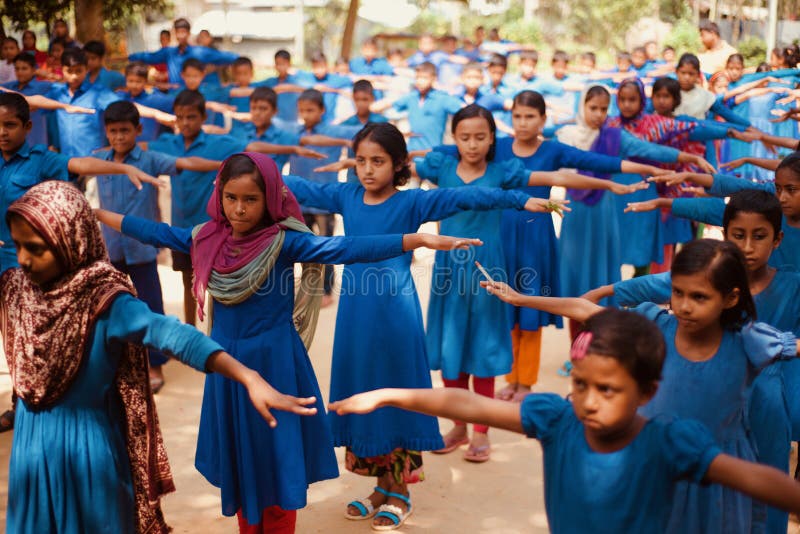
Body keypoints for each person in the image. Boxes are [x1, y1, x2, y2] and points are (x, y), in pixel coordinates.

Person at [96, 151, 483, 533]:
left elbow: (345, 249)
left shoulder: (282, 241)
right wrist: (94, 213)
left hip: (277, 362)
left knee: (279, 462)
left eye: (251, 199)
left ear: (270, 199)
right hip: (229, 368)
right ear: (220, 195)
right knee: (244, 463)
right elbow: (152, 231)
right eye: (231, 197)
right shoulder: (205, 238)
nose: (239, 209)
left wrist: (416, 240)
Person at [285, 122, 564, 529]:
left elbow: (467, 196)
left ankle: (401, 490)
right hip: (355, 317)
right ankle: (380, 485)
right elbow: (299, 189)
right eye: (361, 160)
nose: (367, 169)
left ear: (399, 164)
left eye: (377, 161)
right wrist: (250, 166)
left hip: (396, 315)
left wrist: (521, 201)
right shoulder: (346, 194)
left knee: (399, 393)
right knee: (362, 390)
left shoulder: (412, 202)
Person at [3, 179, 316, 533]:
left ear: (69, 241)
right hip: (29, 460)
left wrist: (246, 375)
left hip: (87, 460)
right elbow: (158, 232)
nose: (24, 260)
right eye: (17, 246)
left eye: (36, 248)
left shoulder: (104, 301)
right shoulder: (16, 291)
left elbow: (173, 335)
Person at [330, 307, 800, 533]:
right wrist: (389, 395)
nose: (588, 401)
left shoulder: (670, 441)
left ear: (648, 392)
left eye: (607, 389)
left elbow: (754, 477)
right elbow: (471, 406)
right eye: (580, 384)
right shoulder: (558, 421)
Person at [481, 238, 800, 532]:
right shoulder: (657, 323)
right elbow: (586, 310)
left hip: (714, 472)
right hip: (659, 461)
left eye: (699, 296)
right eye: (678, 293)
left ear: (730, 298)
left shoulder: (747, 340)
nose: (685, 306)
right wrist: (521, 299)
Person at [414, 104, 643, 462]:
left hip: (488, 271)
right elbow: (400, 165)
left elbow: (563, 179)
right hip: (448, 271)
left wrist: (607, 183)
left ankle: (480, 431)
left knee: (483, 351)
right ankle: (457, 425)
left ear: (492, 138)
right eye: (464, 137)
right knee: (452, 350)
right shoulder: (442, 166)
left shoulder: (503, 170)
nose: (472, 145)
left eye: (479, 137)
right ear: (454, 138)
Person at [434, 91, 663, 401]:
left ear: (544, 119)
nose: (524, 122)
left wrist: (614, 180)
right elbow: (443, 152)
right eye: (517, 116)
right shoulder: (493, 147)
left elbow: (584, 166)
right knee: (502, 311)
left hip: (534, 241)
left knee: (529, 308)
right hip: (501, 240)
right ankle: (509, 378)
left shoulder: (549, 150)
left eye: (531, 116)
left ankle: (524, 383)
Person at [598, 189, 800, 533]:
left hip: (766, 405)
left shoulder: (793, 286)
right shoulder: (709, 279)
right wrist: (601, 294)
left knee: (764, 491)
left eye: (759, 236)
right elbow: (653, 285)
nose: (748, 247)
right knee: (704, 489)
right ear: (725, 235)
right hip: (712, 400)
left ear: (777, 240)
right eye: (738, 235)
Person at [146, 89, 323, 326]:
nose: (185, 123)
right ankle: (190, 331)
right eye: (180, 117)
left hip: (212, 227)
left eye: (191, 117)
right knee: (188, 280)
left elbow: (253, 146)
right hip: (181, 223)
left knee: (220, 279)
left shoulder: (219, 143)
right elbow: (140, 148)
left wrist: (292, 149)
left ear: (203, 117)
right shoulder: (168, 143)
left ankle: (223, 329)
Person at [95, 100, 223, 392]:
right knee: (109, 307)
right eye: (113, 131)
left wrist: (221, 165)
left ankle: (155, 366)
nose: (118, 137)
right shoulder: (100, 160)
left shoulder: (151, 160)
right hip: (111, 250)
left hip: (142, 250)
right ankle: (116, 364)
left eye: (125, 131)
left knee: (151, 307)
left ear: (138, 130)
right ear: (106, 132)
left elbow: (187, 163)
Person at [555, 86, 681, 314]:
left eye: (603, 109)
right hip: (575, 211)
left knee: (601, 270)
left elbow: (648, 150)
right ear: (581, 106)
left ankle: (599, 329)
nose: (598, 114)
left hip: (603, 210)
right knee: (574, 272)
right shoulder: (566, 136)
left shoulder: (613, 136)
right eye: (592, 108)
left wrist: (686, 158)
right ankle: (578, 339)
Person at [45, 48, 122, 157]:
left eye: (79, 71)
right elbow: (35, 107)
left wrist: (154, 113)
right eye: (69, 71)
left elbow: (124, 107)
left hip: (94, 159)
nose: (74, 76)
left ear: (86, 69)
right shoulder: (56, 93)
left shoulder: (98, 93)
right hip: (67, 160)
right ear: (62, 70)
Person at [128, 18, 238, 87]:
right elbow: (148, 57)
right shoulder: (169, 52)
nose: (181, 35)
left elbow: (229, 57)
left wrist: (216, 68)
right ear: (174, 33)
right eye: (178, 32)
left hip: (194, 96)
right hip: (174, 95)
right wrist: (125, 58)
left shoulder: (199, 52)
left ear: (189, 33)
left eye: (183, 32)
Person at [3, 53, 52, 145]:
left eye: (24, 68)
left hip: (36, 141)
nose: (20, 72)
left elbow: (65, 85)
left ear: (34, 70)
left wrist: (49, 75)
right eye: (17, 69)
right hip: (12, 144)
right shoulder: (9, 87)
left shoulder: (44, 86)